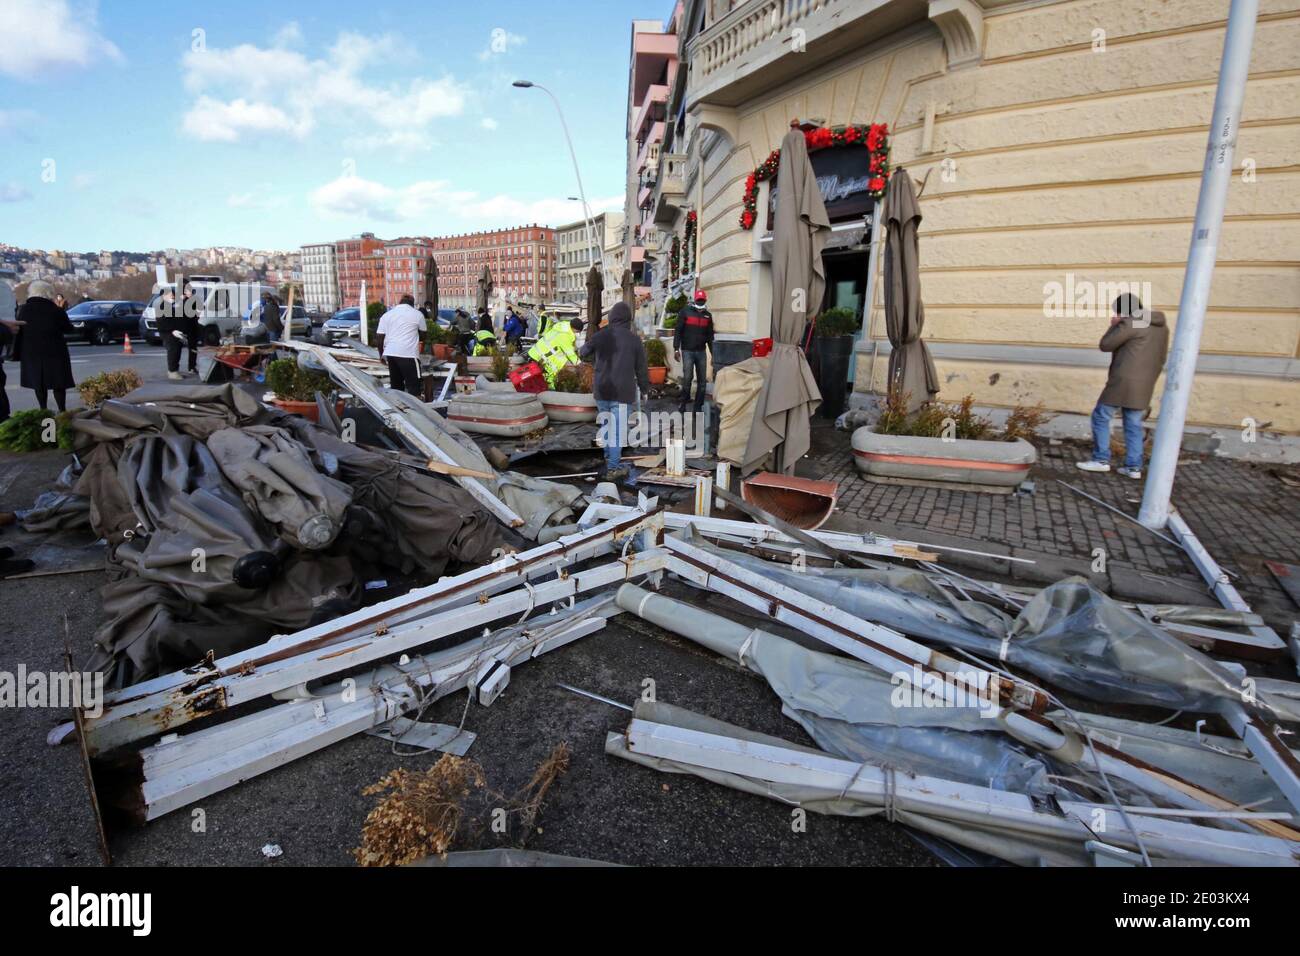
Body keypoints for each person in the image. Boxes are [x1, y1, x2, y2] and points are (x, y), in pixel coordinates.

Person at [1076, 293, 1168, 480]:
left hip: (1124, 379)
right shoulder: (1160, 327)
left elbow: (1106, 344)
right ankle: (1133, 467)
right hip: (1146, 380)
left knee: (1101, 416)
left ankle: (1101, 460)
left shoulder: (1131, 323)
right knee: (1133, 423)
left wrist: (1116, 325)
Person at [580, 302, 648, 480]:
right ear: (628, 319)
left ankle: (609, 459)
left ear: (611, 318)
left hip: (602, 390)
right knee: (617, 431)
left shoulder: (600, 335)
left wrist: (596, 360)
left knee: (606, 427)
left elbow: (583, 352)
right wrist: (645, 389)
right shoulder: (634, 340)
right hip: (622, 392)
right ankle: (613, 468)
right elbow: (641, 368)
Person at [14, 280, 75, 412]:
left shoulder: (24, 310)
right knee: (58, 383)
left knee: (38, 383)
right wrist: (62, 311)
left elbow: (19, 330)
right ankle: (62, 410)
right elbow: (68, 328)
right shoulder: (55, 310)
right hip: (55, 352)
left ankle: (43, 410)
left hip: (31, 352)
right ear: (49, 293)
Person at [673, 288, 715, 412]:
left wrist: (714, 355)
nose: (701, 302)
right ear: (695, 300)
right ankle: (683, 403)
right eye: (699, 300)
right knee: (688, 378)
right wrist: (676, 349)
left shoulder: (708, 316)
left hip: (701, 352)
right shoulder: (685, 312)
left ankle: (698, 406)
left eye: (702, 300)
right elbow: (678, 331)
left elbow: (710, 337)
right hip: (687, 351)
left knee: (702, 381)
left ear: (705, 300)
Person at [375, 294, 425, 397]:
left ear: (400, 302)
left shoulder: (387, 315)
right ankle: (415, 411)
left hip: (391, 354)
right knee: (414, 386)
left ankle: (400, 410)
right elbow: (424, 335)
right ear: (412, 304)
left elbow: (379, 338)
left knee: (396, 386)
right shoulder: (417, 314)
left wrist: (381, 355)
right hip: (409, 354)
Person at [529, 317, 583, 388]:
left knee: (541, 375)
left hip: (537, 352)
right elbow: (570, 353)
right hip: (541, 356)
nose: (578, 334)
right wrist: (580, 364)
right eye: (578, 332)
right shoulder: (565, 335)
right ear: (574, 329)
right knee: (548, 375)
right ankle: (550, 391)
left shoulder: (563, 327)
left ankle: (546, 388)